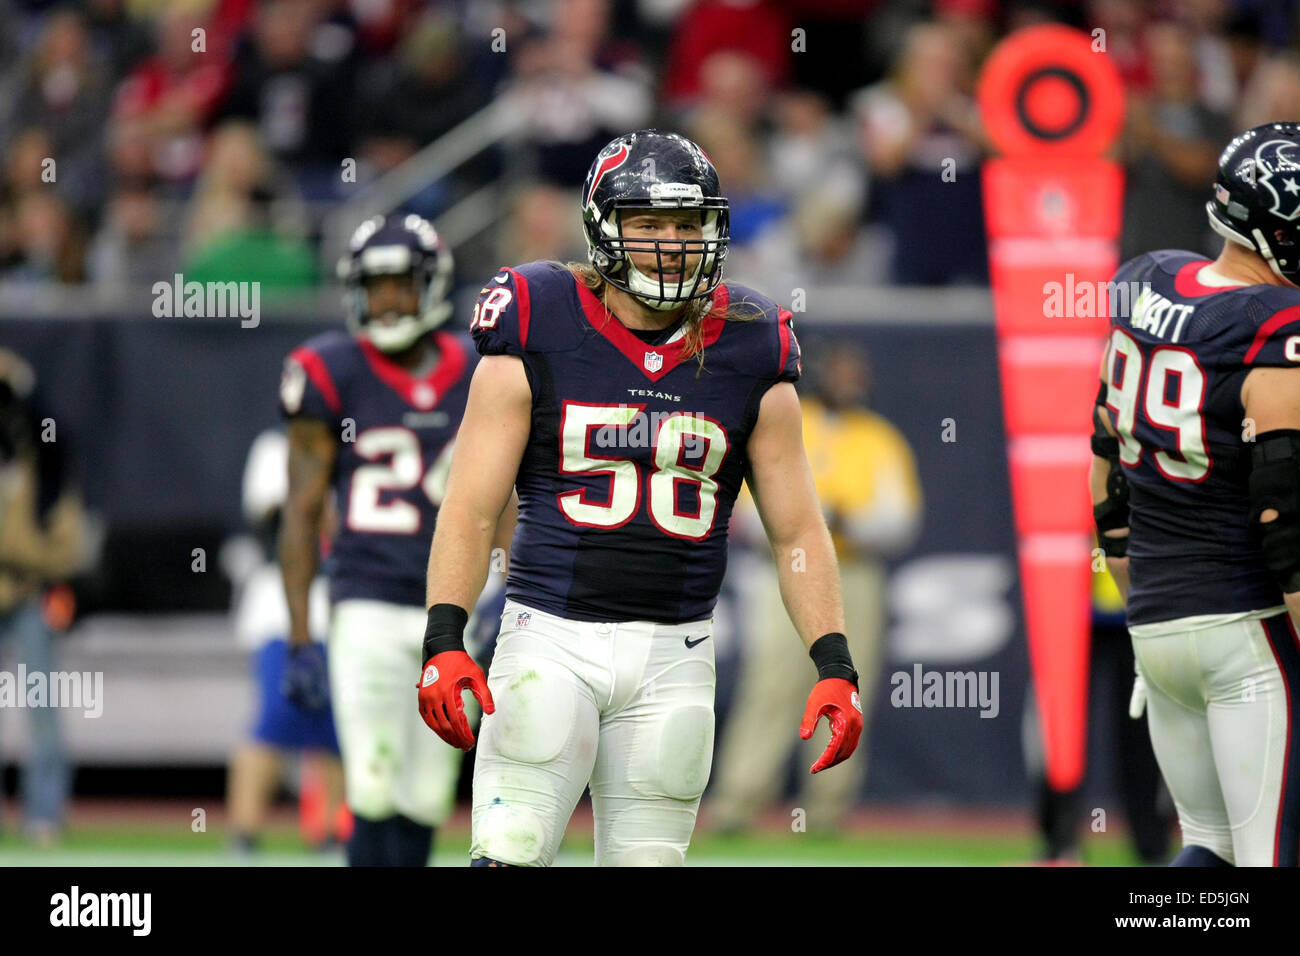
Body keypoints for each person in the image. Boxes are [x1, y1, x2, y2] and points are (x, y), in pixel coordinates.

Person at [416, 129, 864, 867]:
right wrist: (444, 638)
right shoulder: (539, 314)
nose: (669, 244)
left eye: (686, 226)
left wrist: (835, 663)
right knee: (508, 857)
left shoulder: (752, 342)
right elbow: (468, 504)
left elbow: (797, 533)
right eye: (648, 224)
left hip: (676, 653)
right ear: (603, 229)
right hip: (549, 638)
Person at [1091, 122, 1300, 867]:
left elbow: (1107, 463)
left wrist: (1133, 589)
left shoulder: (1146, 281)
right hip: (1249, 629)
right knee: (1269, 854)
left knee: (1206, 849)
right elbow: (1286, 520)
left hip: (1158, 622)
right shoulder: (1274, 327)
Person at [278, 214, 489, 867]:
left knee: (428, 792)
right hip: (365, 597)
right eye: (376, 287)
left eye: (402, 284)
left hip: (453, 608)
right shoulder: (328, 369)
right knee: (372, 777)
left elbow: (503, 498)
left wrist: (508, 587)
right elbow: (303, 509)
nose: (388, 300)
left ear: (432, 285)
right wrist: (301, 634)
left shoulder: (483, 368)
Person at [710, 344, 921, 833]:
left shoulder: (879, 438)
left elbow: (901, 520)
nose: (848, 384)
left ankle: (827, 810)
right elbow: (744, 514)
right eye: (840, 373)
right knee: (771, 685)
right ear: (821, 373)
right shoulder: (789, 419)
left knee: (846, 684)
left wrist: (840, 521)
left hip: (855, 573)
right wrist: (803, 529)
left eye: (856, 375)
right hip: (789, 566)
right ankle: (739, 802)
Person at [225, 429, 346, 854]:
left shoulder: (362, 442)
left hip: (342, 607)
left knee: (338, 728)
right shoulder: (274, 447)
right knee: (274, 720)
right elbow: (283, 515)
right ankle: (244, 832)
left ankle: (329, 832)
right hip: (282, 606)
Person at [0, 349, 85, 845]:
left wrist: (22, 385)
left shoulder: (42, 453)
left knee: (42, 704)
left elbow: (54, 438)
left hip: (29, 585)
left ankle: (45, 809)